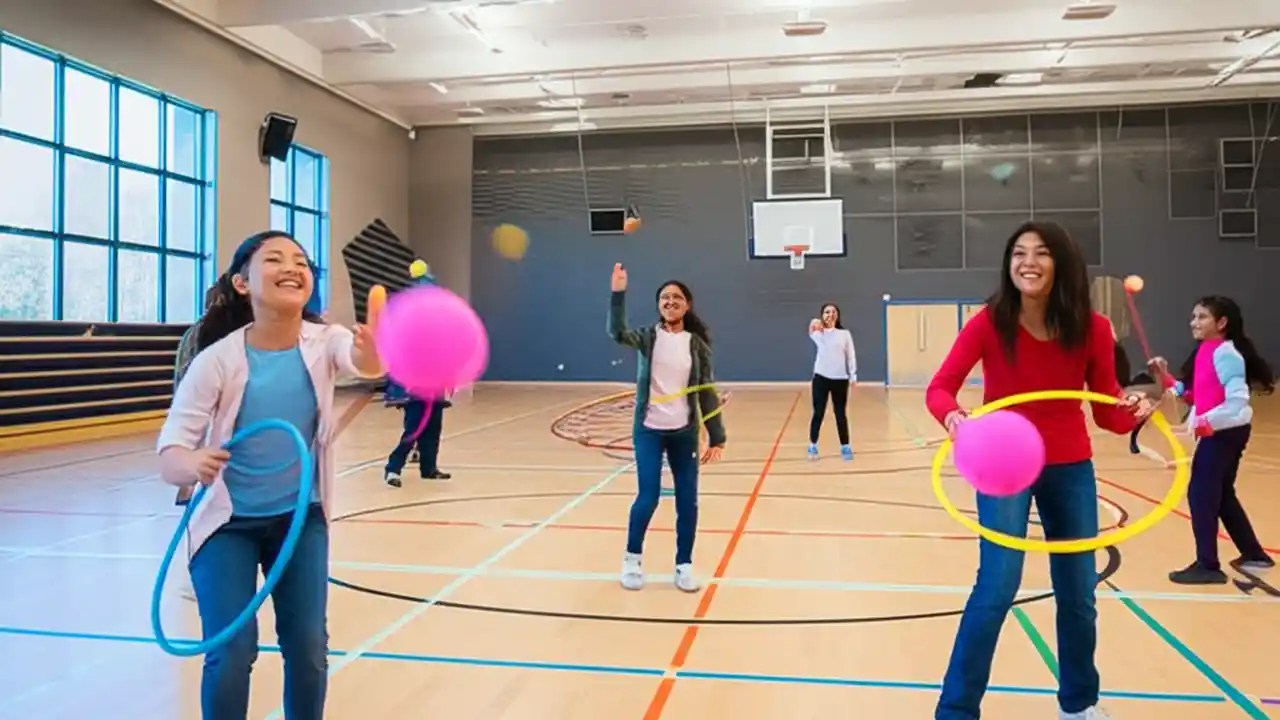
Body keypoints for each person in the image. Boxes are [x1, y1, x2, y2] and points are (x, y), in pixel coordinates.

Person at [924, 221, 1154, 720]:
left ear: (1061, 263)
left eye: (1041, 253)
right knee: (996, 586)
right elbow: (940, 387)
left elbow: (1106, 412)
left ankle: (1079, 704)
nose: (1028, 261)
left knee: (1078, 593)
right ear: (1009, 265)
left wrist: (1133, 409)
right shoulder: (989, 322)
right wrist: (954, 417)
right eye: (1019, 253)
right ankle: (956, 711)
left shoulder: (1092, 328)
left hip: (1069, 465)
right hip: (1004, 467)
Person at [156, 230, 382, 720]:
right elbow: (170, 451)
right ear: (242, 282)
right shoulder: (215, 360)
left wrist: (373, 350)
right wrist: (191, 463)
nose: (293, 267)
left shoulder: (326, 341)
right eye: (275, 259)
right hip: (226, 525)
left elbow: (361, 362)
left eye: (301, 261)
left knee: (307, 647)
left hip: (300, 520)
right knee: (232, 651)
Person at [607, 263, 725, 592]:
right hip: (649, 430)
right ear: (659, 305)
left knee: (688, 500)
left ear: (687, 305)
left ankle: (683, 565)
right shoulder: (647, 337)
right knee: (648, 497)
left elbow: (705, 391)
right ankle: (632, 560)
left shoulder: (697, 346)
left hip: (683, 433)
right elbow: (617, 333)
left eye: (676, 297)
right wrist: (618, 294)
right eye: (664, 297)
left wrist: (717, 435)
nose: (669, 301)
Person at [1149, 295, 1275, 584]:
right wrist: (1165, 376)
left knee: (1201, 494)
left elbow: (1237, 402)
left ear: (1221, 323)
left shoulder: (1227, 354)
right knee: (1222, 495)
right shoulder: (1206, 350)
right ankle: (1254, 554)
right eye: (1193, 317)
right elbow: (1191, 393)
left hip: (1225, 434)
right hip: (1219, 432)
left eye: (1202, 317)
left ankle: (1208, 565)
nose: (1194, 322)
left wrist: (1205, 422)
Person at [806, 302, 857, 460]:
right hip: (821, 378)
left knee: (840, 413)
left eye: (833, 312)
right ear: (823, 315)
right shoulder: (818, 333)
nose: (830, 314)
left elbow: (851, 355)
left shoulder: (844, 334)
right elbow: (810, 328)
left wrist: (853, 374)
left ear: (838, 315)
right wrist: (815, 321)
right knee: (818, 412)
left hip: (840, 379)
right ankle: (813, 445)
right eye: (827, 312)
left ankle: (845, 446)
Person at [383, 380, 452, 486]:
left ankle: (429, 469)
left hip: (435, 393)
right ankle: (393, 469)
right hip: (414, 394)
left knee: (432, 431)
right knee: (412, 432)